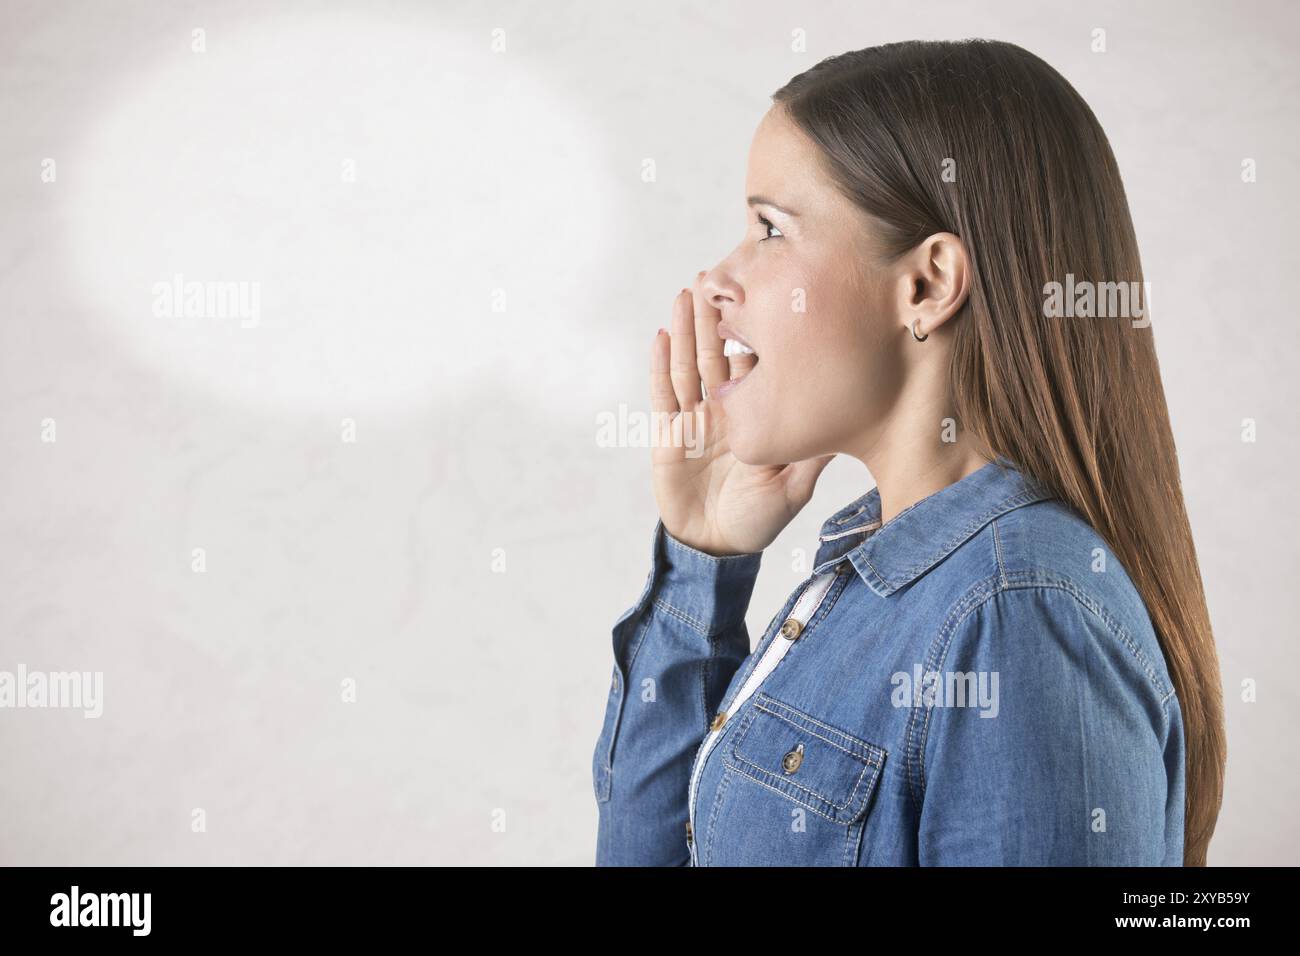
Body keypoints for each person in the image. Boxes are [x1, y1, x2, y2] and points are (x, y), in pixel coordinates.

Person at [592, 39, 1225, 866]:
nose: (717, 277)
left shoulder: (1016, 614)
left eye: (770, 228)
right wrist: (701, 558)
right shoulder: (881, 578)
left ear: (927, 286)